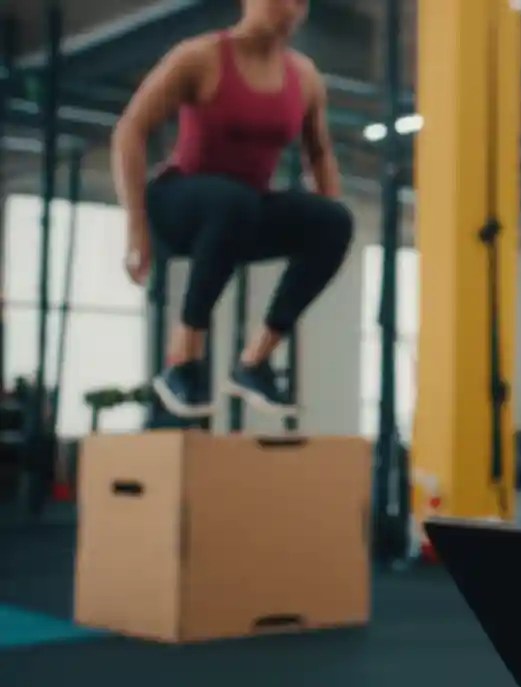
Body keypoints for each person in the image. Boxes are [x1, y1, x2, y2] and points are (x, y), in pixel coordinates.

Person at [111, 0, 352, 419]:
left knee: (335, 221)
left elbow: (320, 151)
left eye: (300, 1)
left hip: (239, 213)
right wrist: (136, 229)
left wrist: (326, 231)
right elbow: (130, 130)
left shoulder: (305, 77)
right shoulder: (200, 57)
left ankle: (254, 362)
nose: (291, 9)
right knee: (233, 201)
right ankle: (182, 360)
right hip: (175, 206)